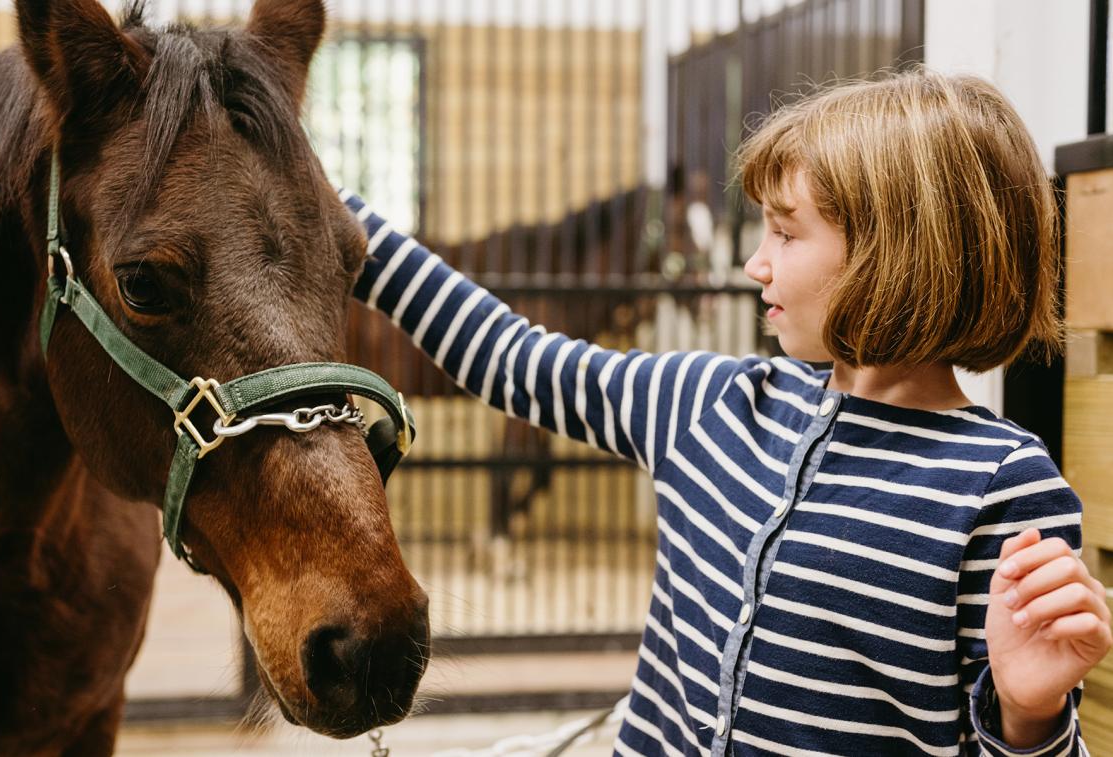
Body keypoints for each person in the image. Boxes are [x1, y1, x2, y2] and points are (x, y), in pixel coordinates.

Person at [341, 68, 1111, 755]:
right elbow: (510, 355)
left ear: (892, 255)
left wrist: (1029, 717)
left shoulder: (997, 488)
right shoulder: (705, 402)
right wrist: (333, 214)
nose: (755, 263)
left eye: (783, 231)